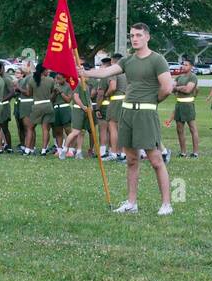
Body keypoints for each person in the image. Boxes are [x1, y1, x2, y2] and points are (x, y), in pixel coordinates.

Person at [77, 24, 174, 215]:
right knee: (131, 159)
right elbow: (105, 72)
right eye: (132, 35)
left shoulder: (157, 60)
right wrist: (85, 72)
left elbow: (167, 87)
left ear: (147, 37)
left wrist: (153, 101)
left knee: (155, 160)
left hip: (145, 114)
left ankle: (166, 204)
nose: (134, 38)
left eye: (138, 35)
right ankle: (131, 203)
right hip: (126, 112)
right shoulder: (127, 61)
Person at [172, 57, 199, 158]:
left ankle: (195, 152)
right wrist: (179, 88)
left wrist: (178, 88)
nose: (184, 66)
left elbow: (188, 90)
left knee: (192, 128)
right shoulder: (179, 77)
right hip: (179, 105)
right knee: (179, 129)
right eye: (183, 64)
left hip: (188, 105)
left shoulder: (193, 77)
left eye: (186, 64)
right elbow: (171, 88)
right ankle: (183, 152)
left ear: (191, 66)